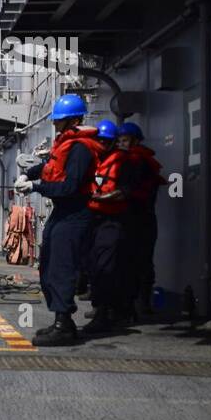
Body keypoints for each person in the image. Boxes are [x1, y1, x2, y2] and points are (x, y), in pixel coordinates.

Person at [15, 94, 104, 346]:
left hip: (75, 213)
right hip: (62, 213)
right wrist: (29, 174)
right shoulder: (67, 145)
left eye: (59, 121)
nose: (55, 126)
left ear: (73, 121)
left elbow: (70, 187)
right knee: (49, 265)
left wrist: (35, 187)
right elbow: (49, 166)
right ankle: (61, 322)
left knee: (62, 268)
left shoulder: (81, 149)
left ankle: (64, 325)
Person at [81, 120, 133, 334]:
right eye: (98, 140)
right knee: (94, 265)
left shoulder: (124, 163)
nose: (101, 144)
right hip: (95, 220)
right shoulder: (95, 161)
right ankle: (106, 309)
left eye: (105, 141)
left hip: (113, 222)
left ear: (113, 143)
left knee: (106, 267)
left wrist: (99, 197)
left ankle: (105, 313)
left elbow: (124, 191)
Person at [116, 121, 164, 317]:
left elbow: (129, 189)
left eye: (125, 140)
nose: (121, 144)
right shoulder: (143, 161)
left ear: (135, 141)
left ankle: (136, 305)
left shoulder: (136, 162)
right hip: (142, 217)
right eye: (119, 140)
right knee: (140, 261)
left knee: (136, 262)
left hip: (137, 218)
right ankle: (138, 304)